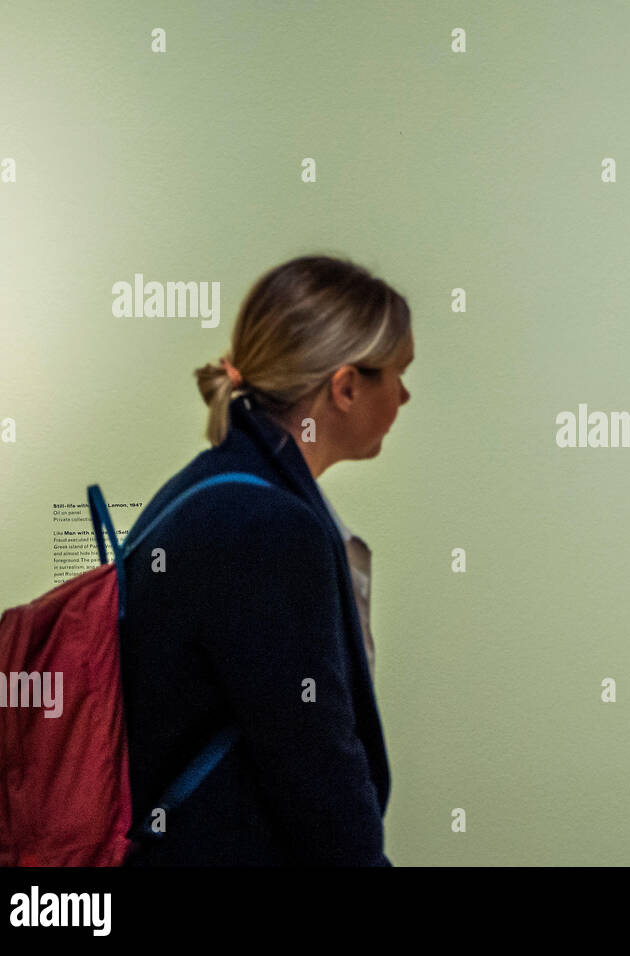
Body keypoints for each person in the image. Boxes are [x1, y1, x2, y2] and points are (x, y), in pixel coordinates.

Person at [118, 254, 413, 865]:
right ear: (347, 385)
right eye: (398, 373)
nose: (406, 395)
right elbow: (317, 770)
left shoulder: (211, 487)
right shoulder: (268, 527)